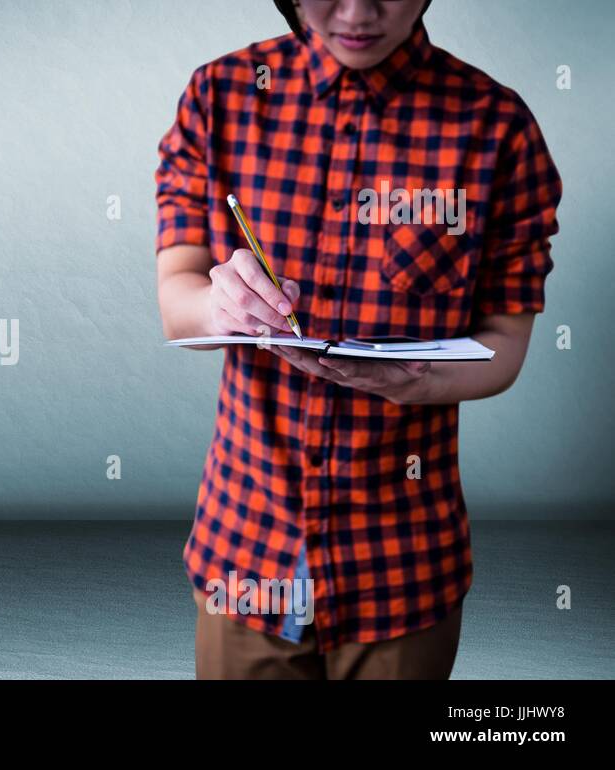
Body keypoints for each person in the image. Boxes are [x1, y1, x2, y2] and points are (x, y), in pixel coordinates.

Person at [154, 0, 561, 679]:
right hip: (246, 543)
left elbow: (506, 346)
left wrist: (420, 383)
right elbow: (178, 302)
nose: (356, 12)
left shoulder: (497, 127)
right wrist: (223, 304)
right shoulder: (220, 95)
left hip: (403, 566)